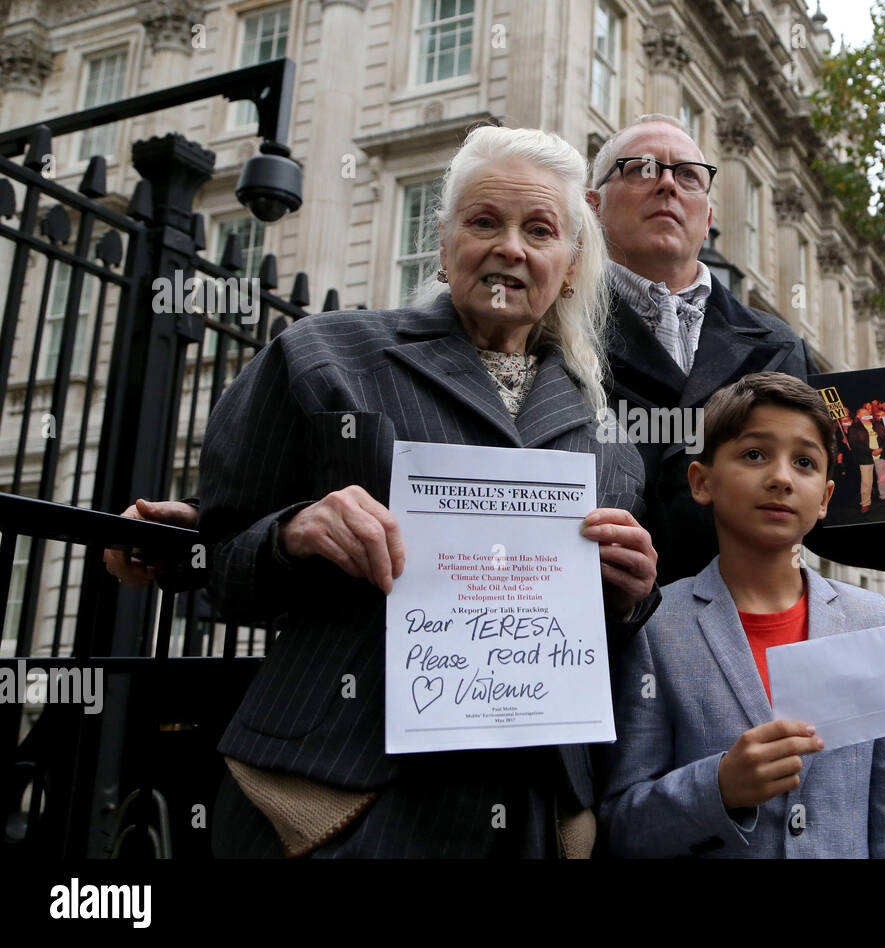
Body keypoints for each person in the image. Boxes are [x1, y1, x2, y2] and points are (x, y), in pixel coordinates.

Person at [199, 126, 659, 859]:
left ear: (569, 267)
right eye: (484, 222)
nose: (511, 247)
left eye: (539, 230)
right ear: (444, 246)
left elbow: (593, 636)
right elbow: (212, 567)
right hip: (339, 798)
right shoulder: (320, 356)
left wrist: (633, 597)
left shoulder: (609, 438)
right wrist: (293, 533)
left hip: (533, 806)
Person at [587, 113, 885, 584]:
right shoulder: (554, 326)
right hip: (589, 638)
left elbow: (842, 509)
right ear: (592, 205)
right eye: (642, 169)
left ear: (709, 213)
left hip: (737, 639)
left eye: (690, 176)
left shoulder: (777, 346)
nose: (668, 184)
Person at [600, 373, 885, 857]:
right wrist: (718, 788)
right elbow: (623, 826)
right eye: (754, 454)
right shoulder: (657, 625)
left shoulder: (871, 619)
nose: (781, 477)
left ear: (823, 498)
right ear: (702, 481)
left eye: (804, 462)